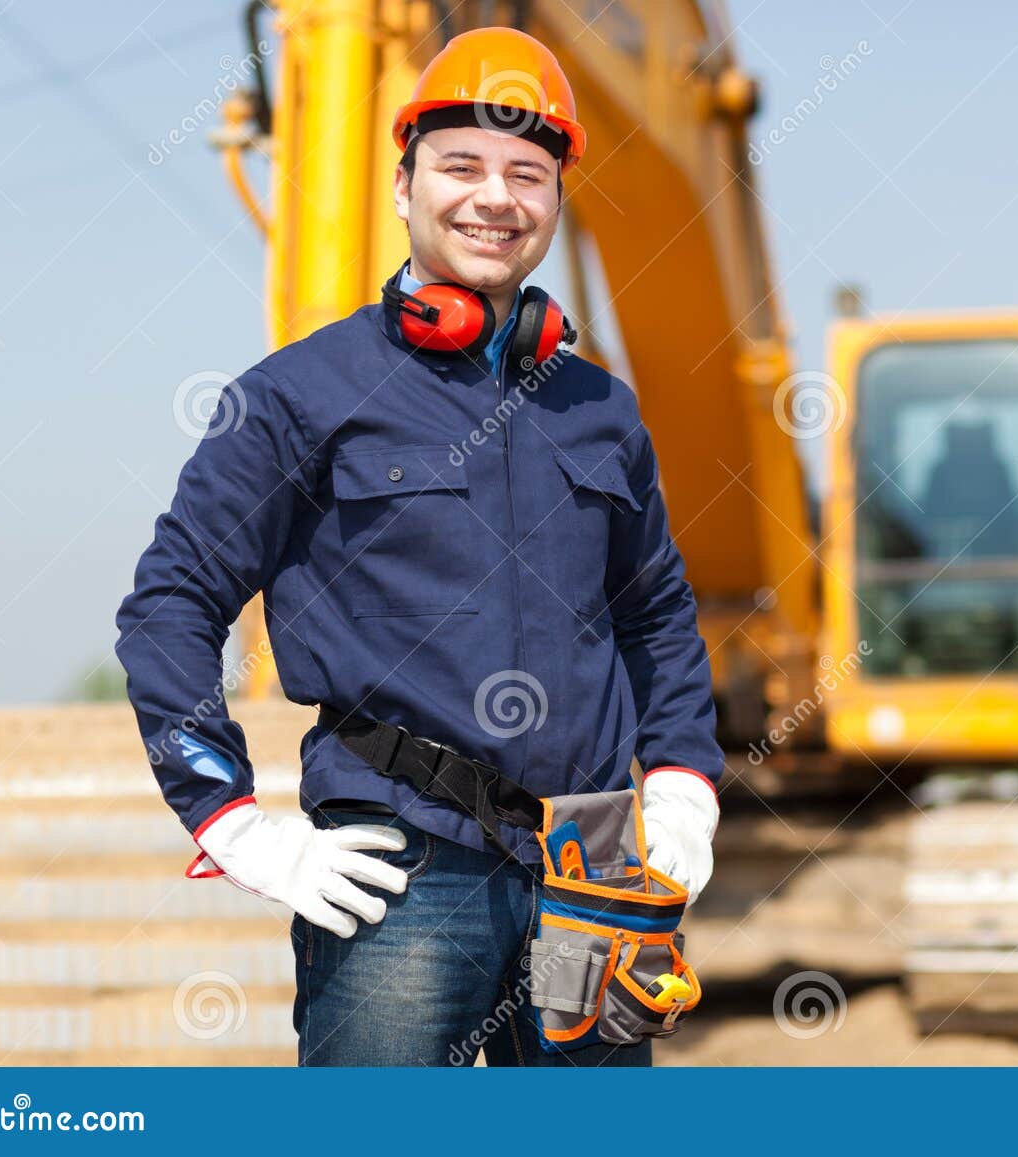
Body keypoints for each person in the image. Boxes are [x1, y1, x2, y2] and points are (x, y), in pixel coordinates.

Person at [115, 26, 723, 1067]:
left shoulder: (601, 412)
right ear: (402, 187)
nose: (496, 197)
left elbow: (654, 614)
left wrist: (682, 782)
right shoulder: (299, 394)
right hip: (403, 862)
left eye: (527, 174)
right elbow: (172, 601)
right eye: (461, 167)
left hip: (599, 867)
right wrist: (230, 816)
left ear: (555, 202)